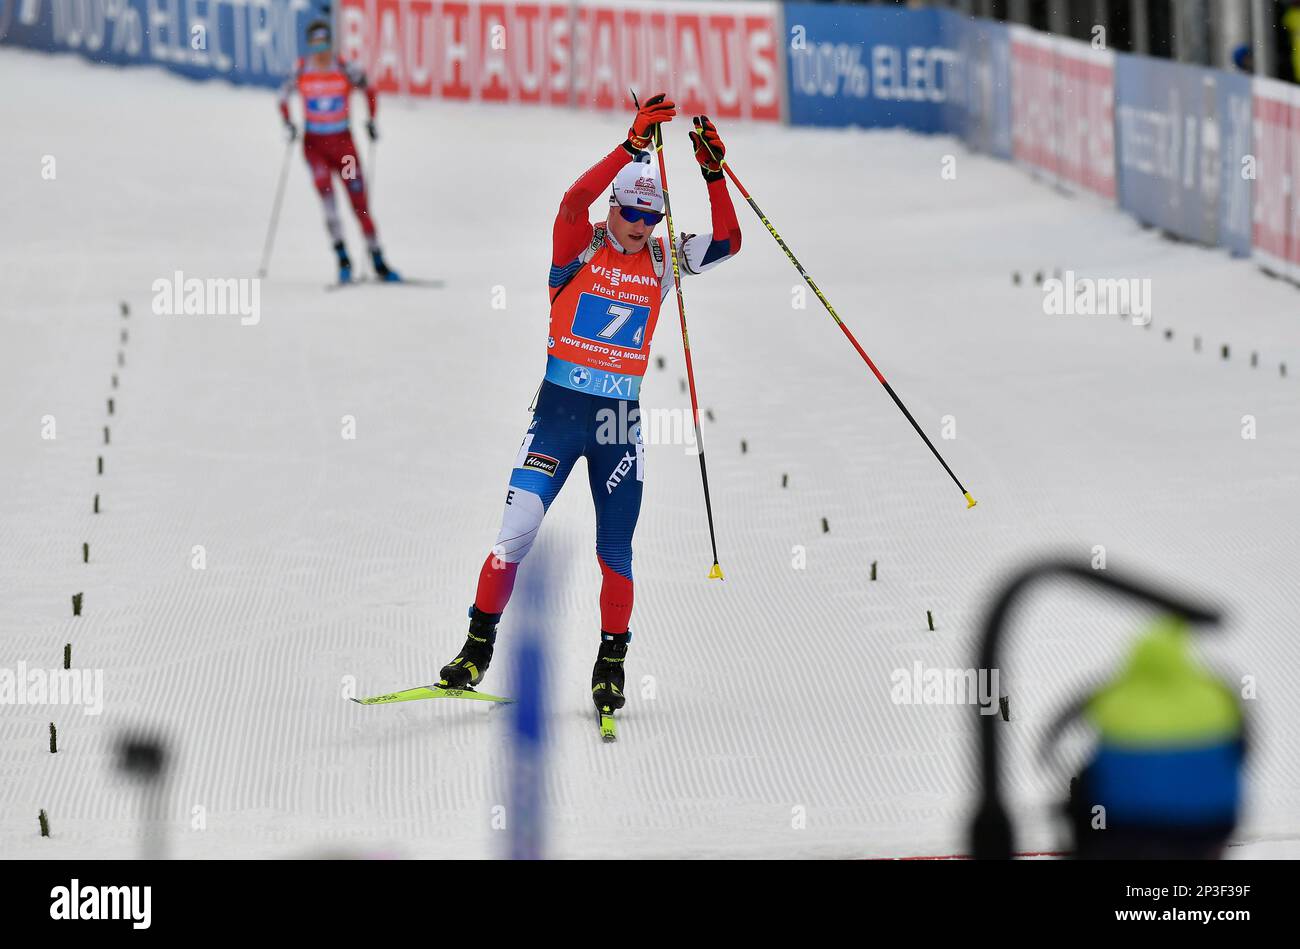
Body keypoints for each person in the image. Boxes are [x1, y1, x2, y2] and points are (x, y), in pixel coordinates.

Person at [436, 95, 741, 717]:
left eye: (651, 217)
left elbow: (729, 241)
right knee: (513, 536)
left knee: (616, 552)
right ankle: (475, 648)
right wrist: (630, 146)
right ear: (614, 207)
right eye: (631, 212)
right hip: (557, 416)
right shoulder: (579, 243)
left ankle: (610, 665)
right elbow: (572, 200)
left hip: (615, 425)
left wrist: (712, 174)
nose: (640, 226)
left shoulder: (661, 258)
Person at [278, 19, 399, 283]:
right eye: (316, 45)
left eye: (325, 45)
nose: (321, 52)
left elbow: (370, 91)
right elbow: (282, 97)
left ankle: (378, 260)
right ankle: (343, 260)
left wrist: (371, 121)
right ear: (310, 46)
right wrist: (288, 124)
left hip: (344, 149)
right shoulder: (301, 69)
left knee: (360, 205)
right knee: (329, 205)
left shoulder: (345, 67)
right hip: (315, 148)